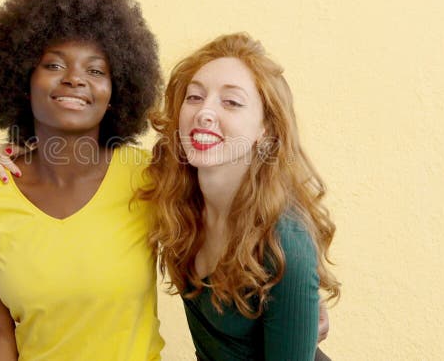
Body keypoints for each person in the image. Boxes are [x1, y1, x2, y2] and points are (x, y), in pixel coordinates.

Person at [0, 0, 164, 360]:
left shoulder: (149, 177)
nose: (75, 79)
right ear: (22, 78)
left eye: (96, 70)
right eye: (54, 65)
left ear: (117, 91)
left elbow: (230, 235)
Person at [140, 32, 340, 360]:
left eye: (231, 102)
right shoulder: (178, 201)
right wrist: (27, 152)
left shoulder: (283, 241)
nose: (205, 112)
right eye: (194, 97)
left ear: (265, 128)